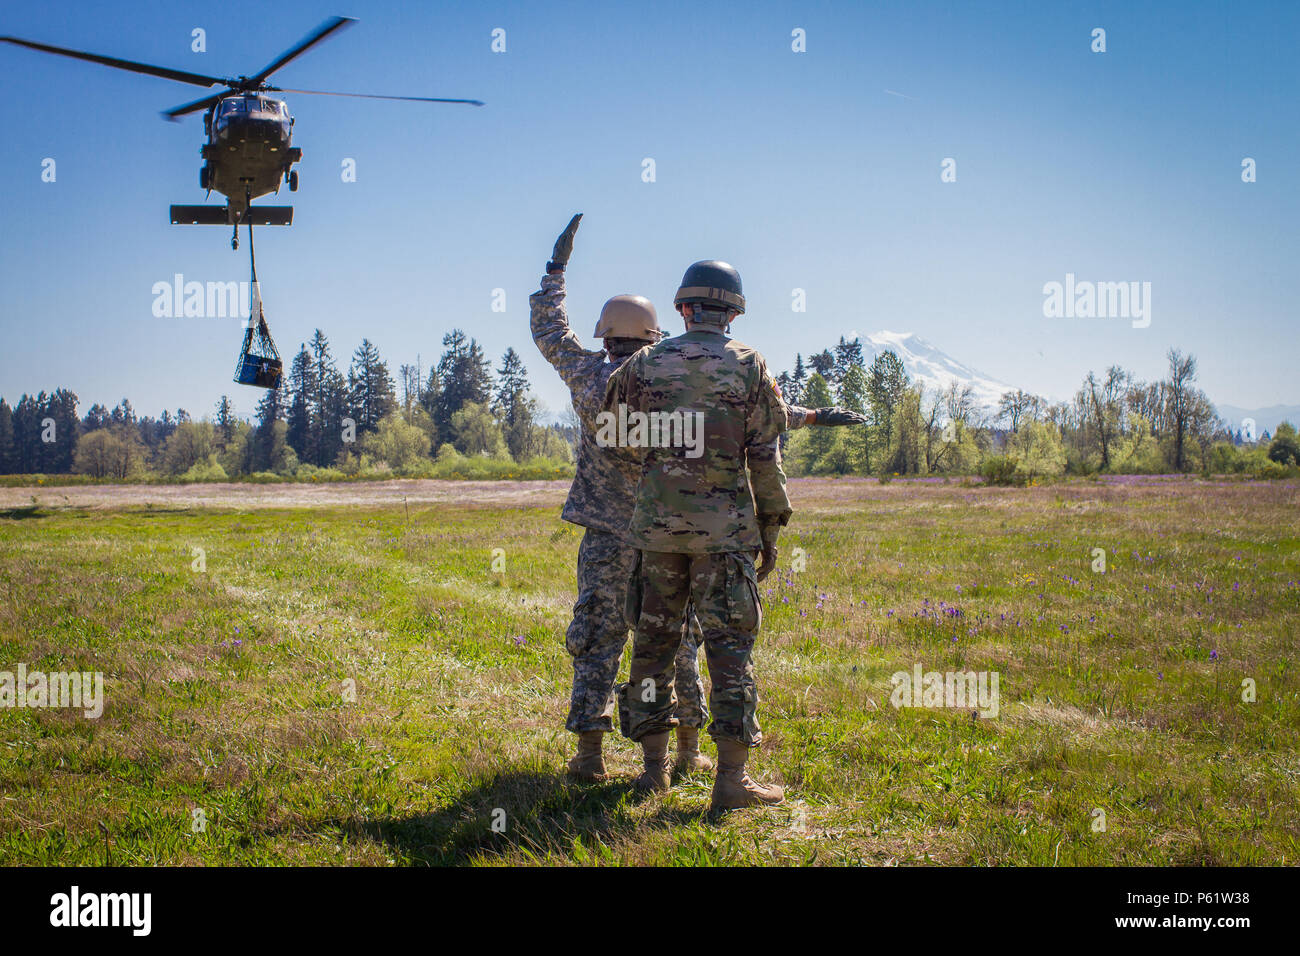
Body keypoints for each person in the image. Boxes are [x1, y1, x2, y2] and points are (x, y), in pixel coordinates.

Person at [533, 219, 861, 783]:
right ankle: (693, 755)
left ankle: (597, 758)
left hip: (622, 532)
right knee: (690, 643)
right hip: (693, 530)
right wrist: (811, 424)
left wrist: (554, 272)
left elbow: (550, 332)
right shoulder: (702, 367)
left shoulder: (603, 375)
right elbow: (750, 424)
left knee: (606, 640)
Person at [604, 259, 797, 809]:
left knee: (652, 649)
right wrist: (771, 525)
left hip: (657, 534)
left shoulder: (644, 363)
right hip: (725, 535)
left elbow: (613, 437)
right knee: (730, 652)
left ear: (683, 309)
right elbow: (765, 454)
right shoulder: (749, 365)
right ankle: (731, 784)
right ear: (733, 312)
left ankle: (652, 773)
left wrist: (659, 470)